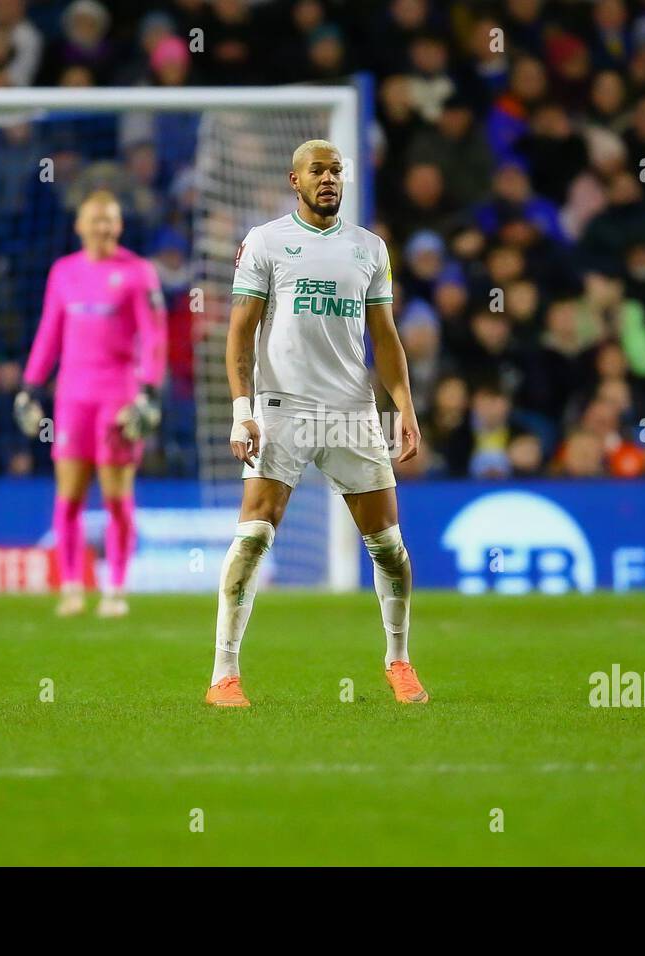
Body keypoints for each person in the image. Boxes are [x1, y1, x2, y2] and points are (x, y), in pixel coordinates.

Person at [208, 140, 425, 708]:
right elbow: (239, 333)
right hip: (282, 406)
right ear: (294, 180)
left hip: (353, 410)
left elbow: (383, 336)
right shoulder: (266, 242)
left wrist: (402, 402)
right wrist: (242, 411)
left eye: (335, 171)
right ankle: (224, 675)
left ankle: (399, 662)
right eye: (317, 171)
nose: (328, 179)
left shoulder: (370, 249)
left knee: (388, 548)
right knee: (253, 535)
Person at [15, 191, 166, 618]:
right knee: (69, 497)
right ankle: (71, 587)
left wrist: (149, 390)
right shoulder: (63, 272)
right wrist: (30, 385)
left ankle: (116, 588)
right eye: (94, 220)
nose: (102, 228)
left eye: (110, 221)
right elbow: (49, 333)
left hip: (117, 395)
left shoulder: (138, 273)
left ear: (119, 226)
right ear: (79, 225)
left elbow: (154, 337)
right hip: (72, 398)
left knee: (117, 496)